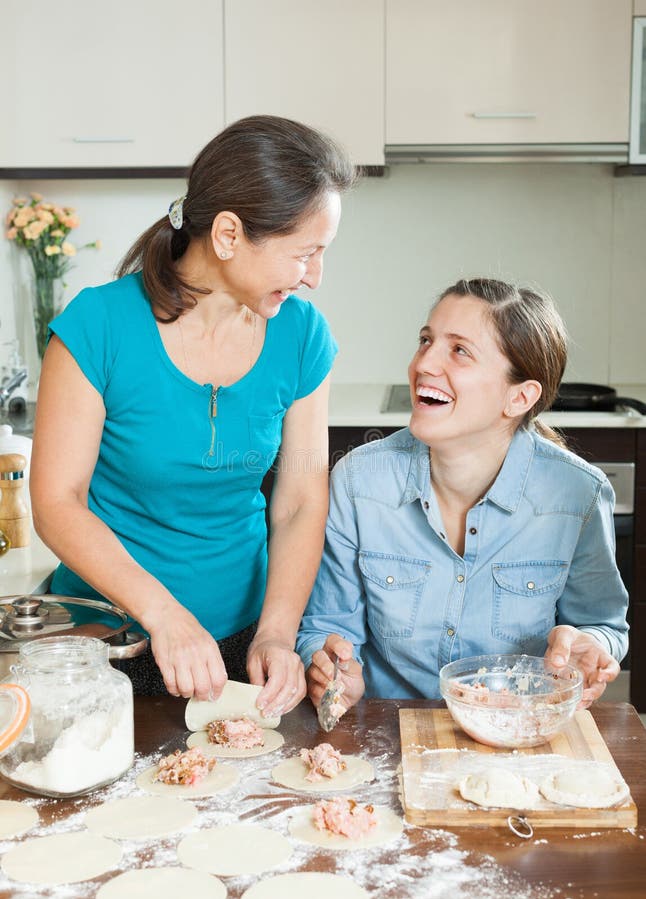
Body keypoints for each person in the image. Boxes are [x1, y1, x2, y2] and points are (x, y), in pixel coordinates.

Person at [31, 115, 355, 713]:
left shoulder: (302, 336)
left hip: (243, 641)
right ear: (228, 234)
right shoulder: (98, 326)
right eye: (305, 253)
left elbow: (302, 497)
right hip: (108, 644)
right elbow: (57, 503)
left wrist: (278, 633)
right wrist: (163, 615)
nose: (314, 276)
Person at [297, 277, 629, 712]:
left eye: (459, 350)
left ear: (519, 397)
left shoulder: (578, 494)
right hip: (389, 731)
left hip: (516, 733)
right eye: (425, 340)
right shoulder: (360, 482)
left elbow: (602, 625)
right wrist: (334, 671)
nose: (423, 363)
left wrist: (589, 646)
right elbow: (326, 625)